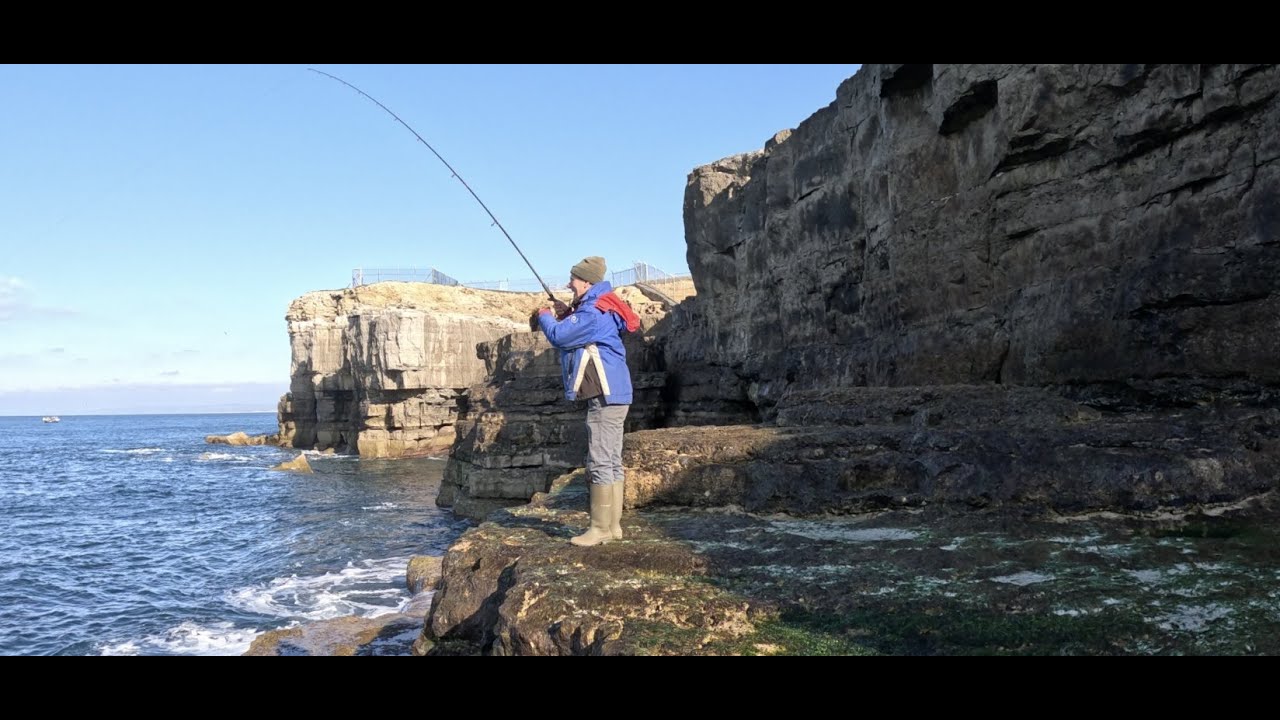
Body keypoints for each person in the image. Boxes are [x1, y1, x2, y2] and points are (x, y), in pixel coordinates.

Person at [537, 256, 640, 547]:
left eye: (574, 279)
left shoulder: (593, 312)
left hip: (604, 396)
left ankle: (600, 529)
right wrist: (568, 311)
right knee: (611, 460)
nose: (570, 283)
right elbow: (578, 327)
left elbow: (560, 335)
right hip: (616, 394)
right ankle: (613, 527)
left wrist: (545, 314)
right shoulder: (599, 307)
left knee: (599, 461)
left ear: (588, 282)